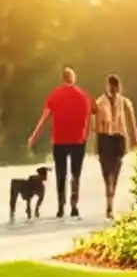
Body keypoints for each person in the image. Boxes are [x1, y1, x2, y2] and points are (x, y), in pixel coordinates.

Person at [27, 67, 93, 220]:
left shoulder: (54, 95)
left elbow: (44, 118)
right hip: (78, 141)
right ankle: (74, 205)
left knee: (61, 174)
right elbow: (90, 118)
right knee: (76, 174)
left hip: (60, 141)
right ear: (73, 78)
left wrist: (33, 136)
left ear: (62, 79)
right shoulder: (83, 96)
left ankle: (60, 206)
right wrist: (87, 136)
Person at [93, 74, 137, 220]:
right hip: (105, 138)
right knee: (107, 172)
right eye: (111, 87)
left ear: (119, 87)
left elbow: (132, 123)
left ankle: (110, 197)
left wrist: (135, 139)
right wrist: (95, 142)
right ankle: (109, 198)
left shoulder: (125, 103)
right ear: (107, 87)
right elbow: (94, 125)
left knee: (115, 169)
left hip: (119, 138)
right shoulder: (99, 103)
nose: (113, 90)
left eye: (115, 87)